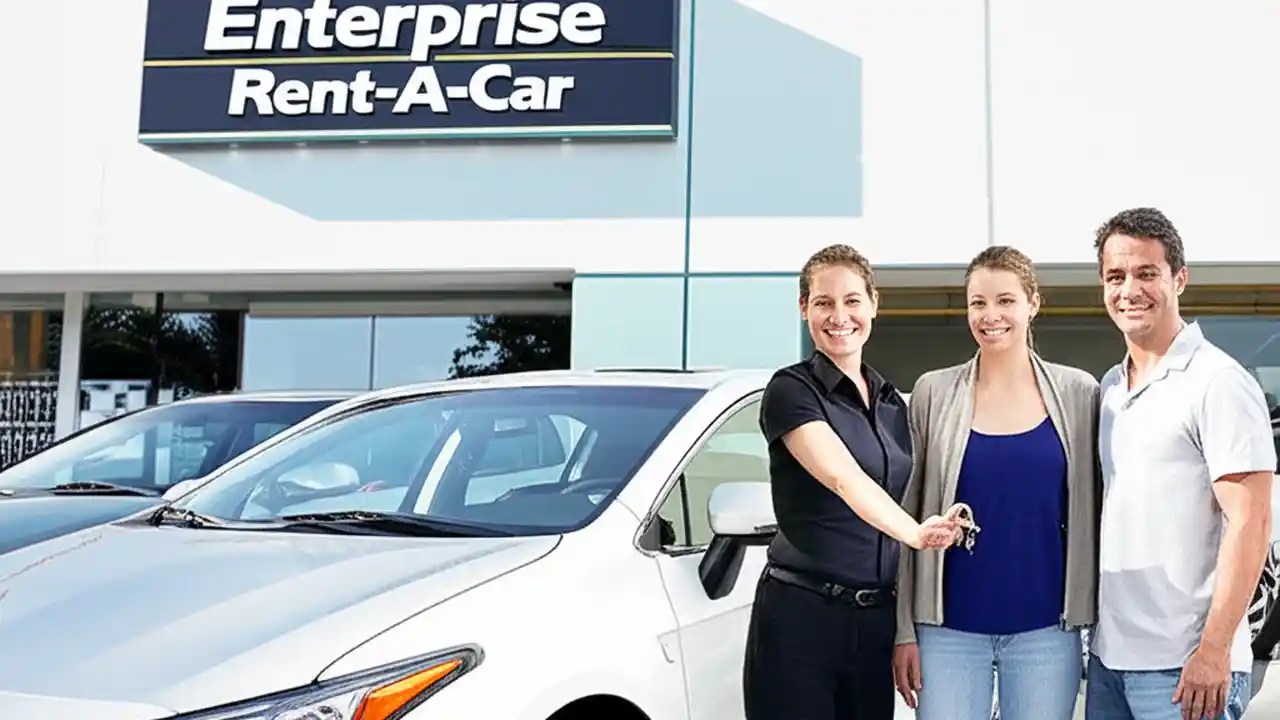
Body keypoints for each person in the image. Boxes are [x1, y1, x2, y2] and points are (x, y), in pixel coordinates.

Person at [744, 243, 960, 720]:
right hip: (801, 617)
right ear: (804, 309)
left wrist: (903, 628)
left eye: (851, 300)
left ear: (873, 305)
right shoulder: (791, 390)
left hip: (875, 621)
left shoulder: (892, 404)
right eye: (823, 302)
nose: (838, 315)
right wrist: (915, 533)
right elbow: (843, 476)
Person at [890, 246, 1101, 720]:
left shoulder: (1079, 393)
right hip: (947, 635)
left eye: (1005, 301)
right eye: (978, 303)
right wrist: (904, 630)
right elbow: (907, 516)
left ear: (1033, 303)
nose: (990, 316)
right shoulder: (932, 392)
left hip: (1047, 632)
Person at [1085, 207, 1276, 720]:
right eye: (1116, 276)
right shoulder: (1109, 388)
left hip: (1186, 670)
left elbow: (1252, 521)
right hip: (1109, 661)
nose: (1130, 290)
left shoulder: (1218, 382)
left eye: (1148, 273)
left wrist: (1214, 651)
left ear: (1179, 279)